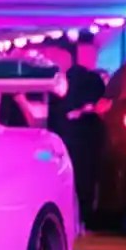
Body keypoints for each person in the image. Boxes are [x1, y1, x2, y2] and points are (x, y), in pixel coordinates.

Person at [45, 45, 106, 227]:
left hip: (76, 143)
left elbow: (101, 104)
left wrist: (82, 111)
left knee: (79, 180)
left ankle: (79, 219)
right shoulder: (49, 84)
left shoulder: (85, 80)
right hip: (65, 144)